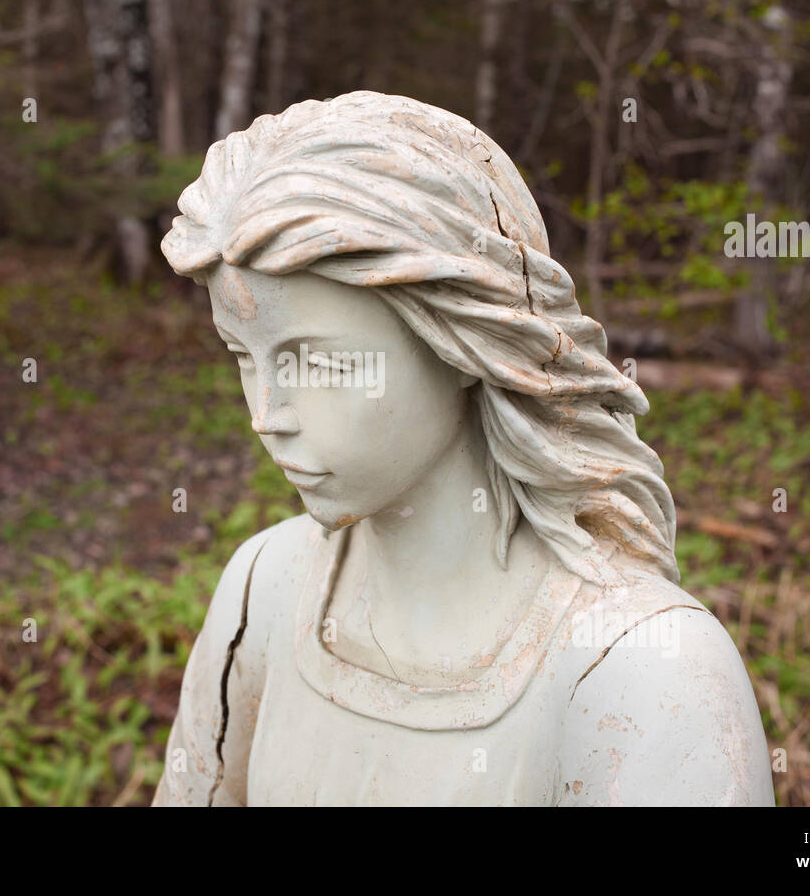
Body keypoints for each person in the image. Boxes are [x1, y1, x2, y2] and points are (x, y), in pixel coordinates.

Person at [152, 91, 773, 806]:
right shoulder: (265, 586)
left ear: (460, 343)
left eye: (320, 364)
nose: (266, 415)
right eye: (242, 356)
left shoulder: (642, 672)